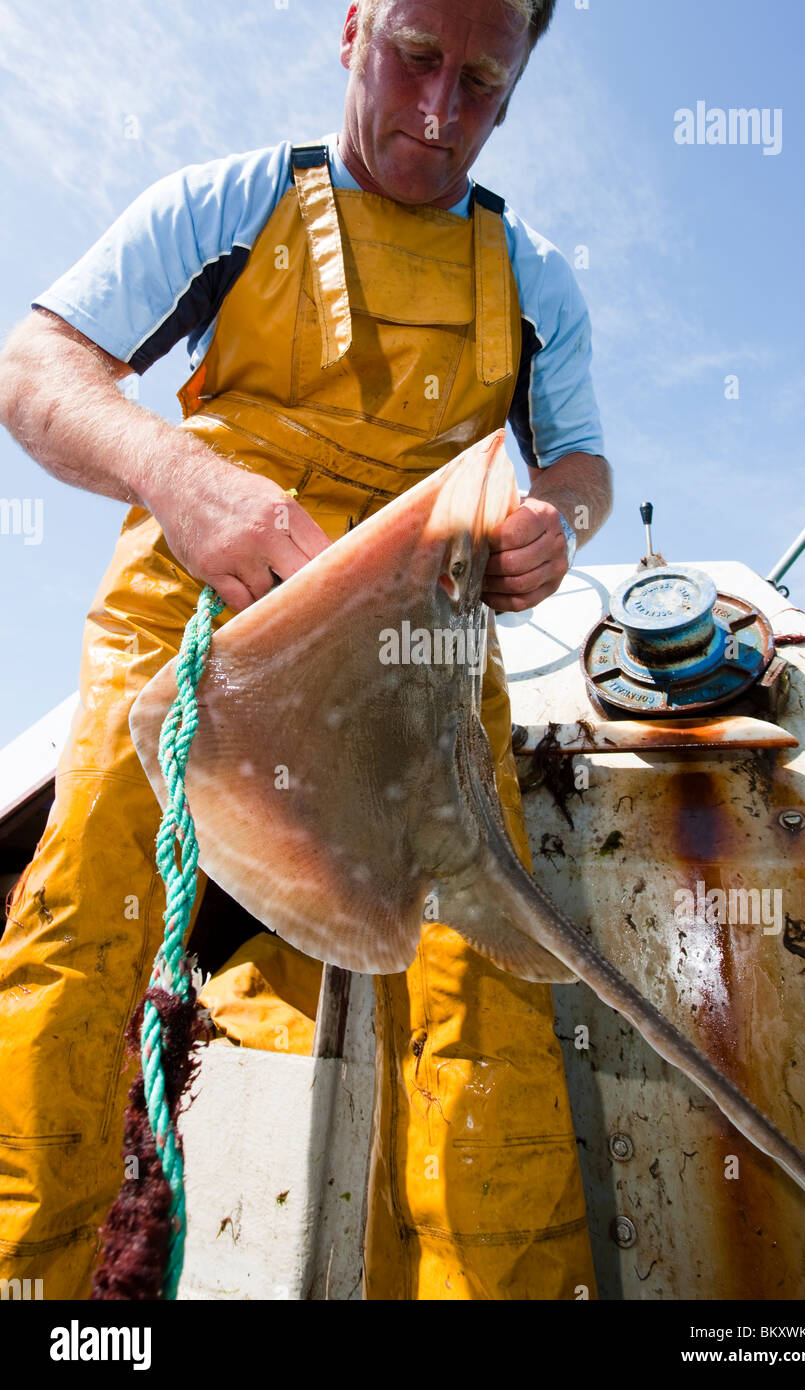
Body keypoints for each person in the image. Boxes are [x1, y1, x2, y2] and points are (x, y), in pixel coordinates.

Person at [0, 0, 612, 1300]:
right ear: (352, 31)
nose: (439, 113)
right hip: (194, 625)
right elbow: (35, 367)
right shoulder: (222, 202)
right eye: (413, 59)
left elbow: (580, 463)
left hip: (424, 667)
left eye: (481, 83)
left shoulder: (531, 276)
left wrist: (552, 523)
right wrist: (177, 473)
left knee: (478, 993)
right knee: (80, 938)